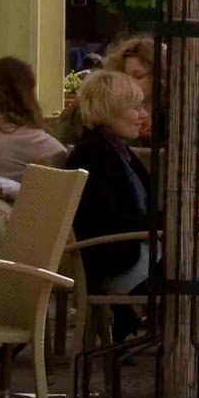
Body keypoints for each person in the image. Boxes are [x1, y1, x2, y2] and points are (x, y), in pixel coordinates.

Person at [66, 71, 152, 302]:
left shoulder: (119, 151)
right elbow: (110, 222)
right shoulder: (91, 156)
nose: (143, 115)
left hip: (130, 250)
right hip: (113, 261)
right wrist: (169, 221)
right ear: (109, 109)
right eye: (136, 108)